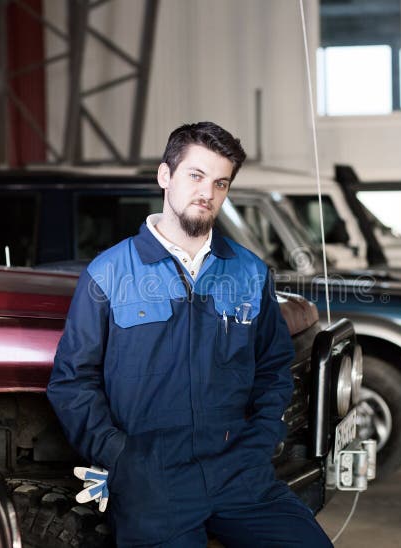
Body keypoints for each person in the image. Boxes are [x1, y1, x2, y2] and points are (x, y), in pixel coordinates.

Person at [47, 121, 333, 547]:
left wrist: (260, 440)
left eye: (220, 183)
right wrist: (119, 456)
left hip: (241, 475)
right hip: (154, 485)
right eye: (196, 176)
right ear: (165, 175)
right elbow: (72, 381)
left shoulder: (249, 271)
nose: (207, 193)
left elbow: (274, 368)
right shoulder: (109, 273)